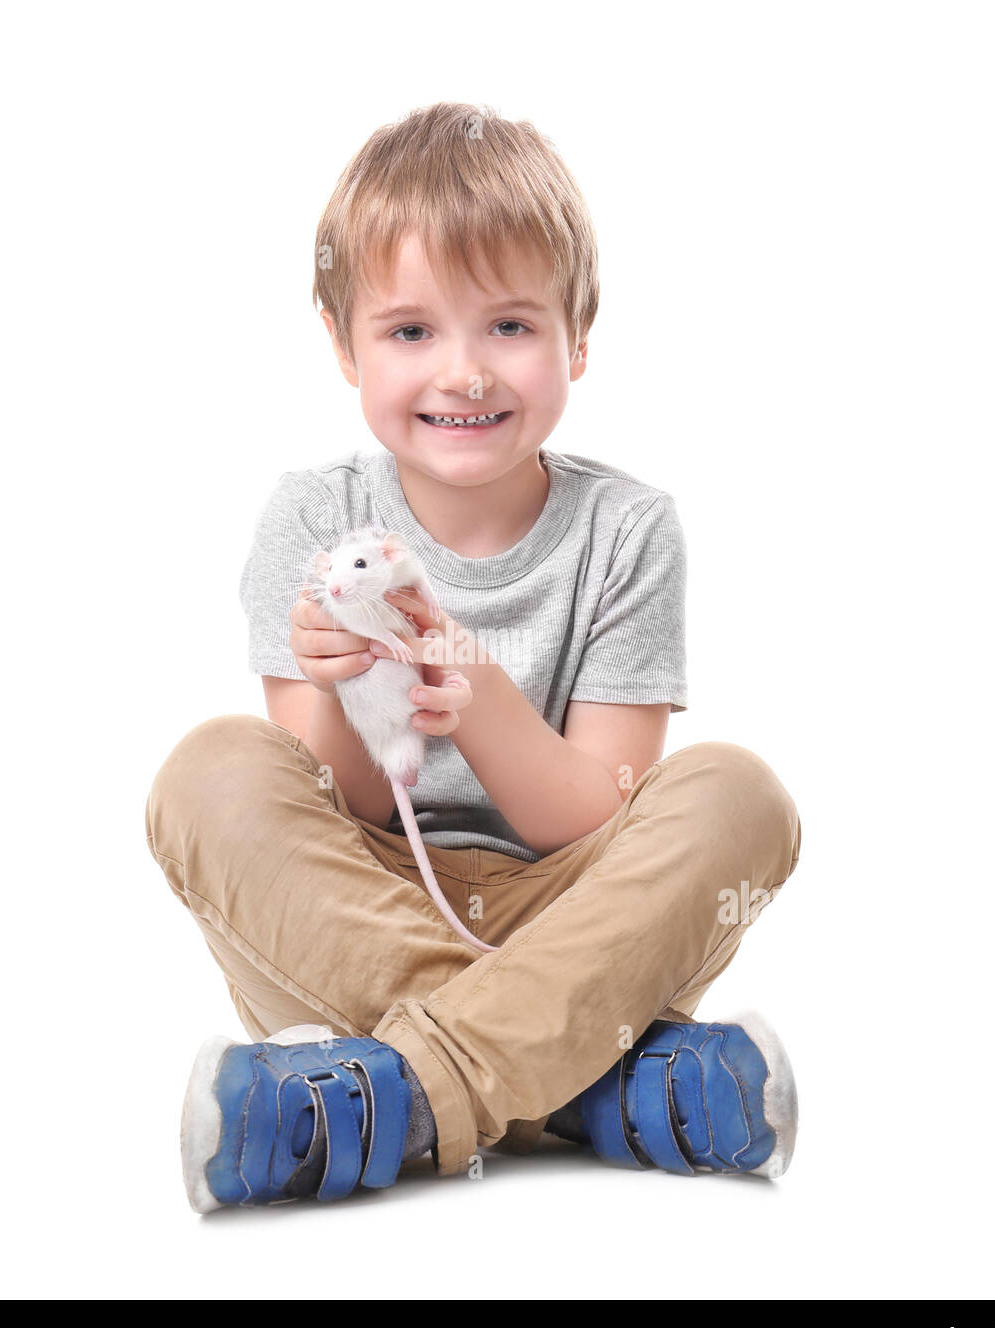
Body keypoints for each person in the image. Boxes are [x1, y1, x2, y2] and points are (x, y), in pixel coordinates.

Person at [146, 101, 802, 1210]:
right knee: (210, 769)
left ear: (577, 335)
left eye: (508, 327)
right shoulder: (313, 518)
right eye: (410, 332)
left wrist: (480, 695)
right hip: (361, 921)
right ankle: (584, 1082)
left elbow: (594, 816)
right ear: (341, 340)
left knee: (738, 796)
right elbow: (334, 806)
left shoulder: (629, 531)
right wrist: (342, 686)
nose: (463, 373)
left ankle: (377, 1096)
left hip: (575, 911)